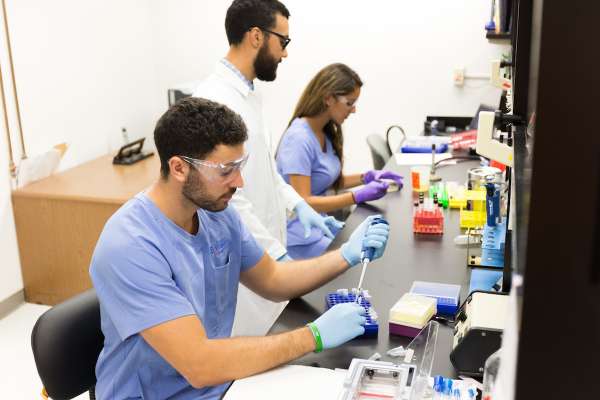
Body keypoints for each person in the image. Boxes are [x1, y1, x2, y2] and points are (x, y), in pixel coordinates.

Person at [89, 97, 390, 400]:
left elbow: (273, 279)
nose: (240, 181)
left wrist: (346, 254)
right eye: (226, 171)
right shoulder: (130, 244)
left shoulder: (216, 214)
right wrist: (313, 336)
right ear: (179, 168)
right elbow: (200, 364)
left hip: (218, 383)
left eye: (240, 166)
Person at [192, 0, 343, 336]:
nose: (285, 54)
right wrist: (274, 257)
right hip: (247, 266)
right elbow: (228, 196)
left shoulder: (248, 94)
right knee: (245, 366)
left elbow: (265, 172)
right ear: (256, 36)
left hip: (267, 265)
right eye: (283, 42)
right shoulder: (215, 100)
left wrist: (299, 205)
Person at [276, 63, 403, 259]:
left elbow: (326, 179)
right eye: (349, 103)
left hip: (321, 227)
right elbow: (304, 201)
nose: (353, 110)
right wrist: (357, 196)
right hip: (301, 238)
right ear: (328, 99)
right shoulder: (299, 139)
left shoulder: (323, 131)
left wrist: (366, 177)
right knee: (364, 258)